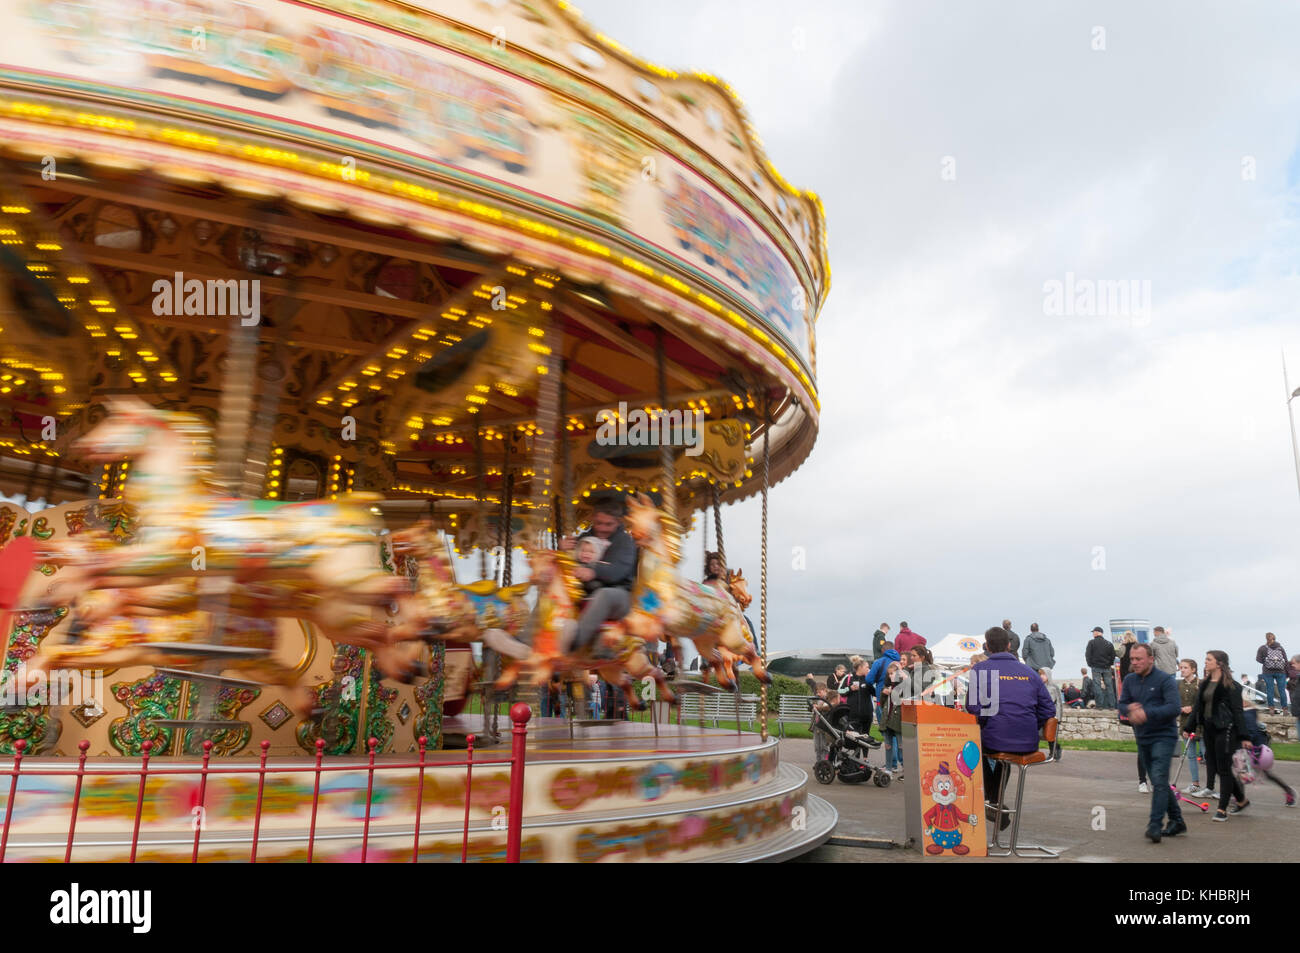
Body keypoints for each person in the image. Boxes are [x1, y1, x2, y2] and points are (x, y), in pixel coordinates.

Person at [965, 627, 1055, 825]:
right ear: (1009, 645)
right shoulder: (1030, 673)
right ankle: (994, 803)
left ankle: (991, 802)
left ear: (987, 646)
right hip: (1027, 742)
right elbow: (1048, 711)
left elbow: (973, 707)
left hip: (995, 739)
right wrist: (1029, 725)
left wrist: (988, 723)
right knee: (999, 753)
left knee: (977, 749)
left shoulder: (979, 670)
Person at [1118, 643, 1186, 843]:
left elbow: (1174, 707)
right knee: (1159, 781)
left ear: (1150, 659)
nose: (1135, 663)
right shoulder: (1130, 680)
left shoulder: (1165, 680)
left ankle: (1155, 825)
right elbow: (1121, 703)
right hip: (1143, 736)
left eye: (1139, 659)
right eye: (1132, 659)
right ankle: (1177, 820)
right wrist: (1129, 707)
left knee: (1158, 779)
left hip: (1164, 736)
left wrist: (1145, 713)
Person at [563, 500, 638, 654]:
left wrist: (593, 570)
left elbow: (617, 572)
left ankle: (573, 643)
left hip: (620, 595)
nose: (602, 528)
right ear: (593, 520)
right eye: (599, 523)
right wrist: (563, 549)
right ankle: (530, 638)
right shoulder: (586, 538)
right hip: (587, 593)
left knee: (604, 595)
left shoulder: (624, 542)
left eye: (608, 524)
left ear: (618, 522)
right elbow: (568, 560)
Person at [1184, 650, 1249, 822]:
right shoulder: (1205, 684)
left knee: (1224, 768)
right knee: (1219, 769)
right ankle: (1241, 800)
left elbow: (1238, 712)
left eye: (1209, 659)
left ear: (1219, 663)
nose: (1205, 662)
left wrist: (1244, 735)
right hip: (1209, 730)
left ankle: (1222, 809)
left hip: (1226, 730)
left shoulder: (1232, 685)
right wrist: (1189, 726)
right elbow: (1198, 707)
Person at [1240, 692, 1296, 807]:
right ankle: (1288, 791)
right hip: (1256, 748)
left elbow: (1252, 732)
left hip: (1255, 749)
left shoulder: (1248, 713)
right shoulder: (1249, 712)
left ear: (1245, 702)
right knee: (1249, 773)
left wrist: (1245, 740)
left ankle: (1239, 798)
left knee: (1242, 773)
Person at [1178, 659, 1209, 796]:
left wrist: (1194, 708)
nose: (1182, 670)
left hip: (1201, 725)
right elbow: (1172, 703)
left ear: (1193, 669)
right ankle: (1195, 784)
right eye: (1181, 667)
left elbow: (1206, 703)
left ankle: (1210, 785)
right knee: (1190, 756)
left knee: (1208, 757)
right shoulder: (1178, 685)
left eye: (1185, 667)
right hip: (1185, 725)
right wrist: (1180, 709)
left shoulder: (1201, 684)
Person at [880, 660, 906, 776]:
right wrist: (884, 693)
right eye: (889, 674)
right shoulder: (888, 686)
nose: (891, 676)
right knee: (888, 746)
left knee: (902, 746)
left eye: (893, 673)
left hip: (898, 720)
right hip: (887, 719)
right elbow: (882, 703)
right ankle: (888, 769)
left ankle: (907, 769)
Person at [867, 641, 901, 722]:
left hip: (882, 697)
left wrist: (875, 686)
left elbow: (869, 680)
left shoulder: (879, 662)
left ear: (883, 650)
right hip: (898, 699)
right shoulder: (901, 661)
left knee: (884, 728)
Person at [1256, 632, 1290, 713]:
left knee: (1270, 690)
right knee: (1282, 690)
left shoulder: (1262, 648)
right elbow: (1285, 660)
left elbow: (1258, 659)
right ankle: (1284, 709)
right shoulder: (1280, 647)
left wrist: (1266, 662)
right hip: (1280, 671)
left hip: (1268, 672)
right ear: (1275, 638)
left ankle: (1271, 708)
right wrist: (1287, 672)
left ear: (1266, 638)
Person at [1085, 627, 1117, 709]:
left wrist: (1090, 664)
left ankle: (1099, 705)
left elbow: (1088, 655)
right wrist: (1109, 664)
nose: (1093, 633)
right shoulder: (1108, 643)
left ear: (1097, 632)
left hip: (1096, 667)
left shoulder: (1091, 642)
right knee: (1109, 686)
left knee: (1097, 686)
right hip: (1107, 667)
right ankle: (1112, 705)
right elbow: (1113, 656)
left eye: (1093, 632)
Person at [1039, 668, 1063, 759]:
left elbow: (1058, 703)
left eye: (1044, 674)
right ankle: (1033, 752)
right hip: (1041, 714)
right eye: (1040, 674)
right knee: (1038, 734)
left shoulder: (1054, 687)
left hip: (1052, 715)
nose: (1042, 676)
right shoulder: (1039, 686)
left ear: (1048, 675)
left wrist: (1059, 717)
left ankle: (1053, 753)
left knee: (1051, 735)